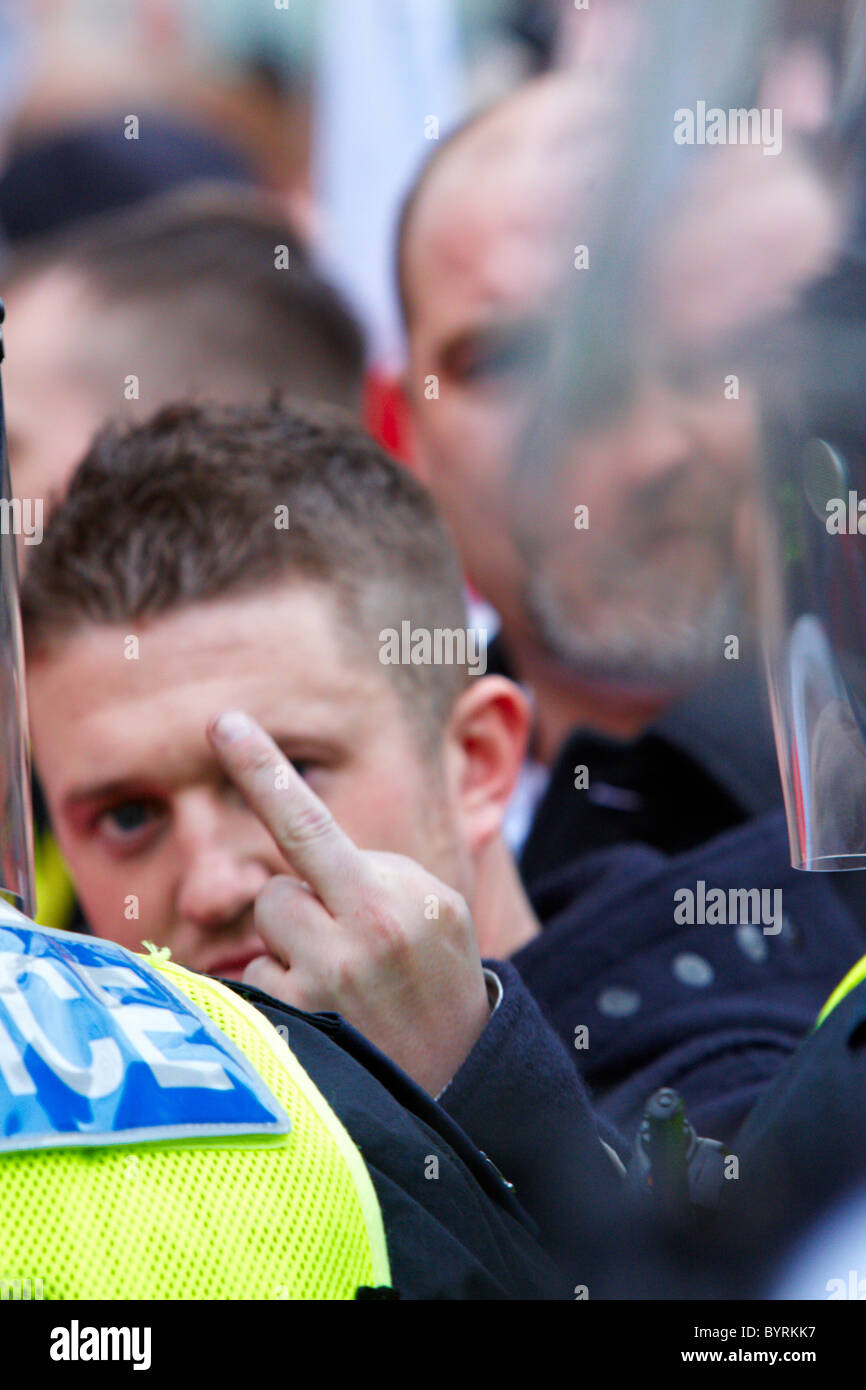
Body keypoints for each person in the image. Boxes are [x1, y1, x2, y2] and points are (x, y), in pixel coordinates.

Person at [20, 400, 863, 1143]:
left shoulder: (768, 1100)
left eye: (286, 777)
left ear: (478, 765)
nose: (207, 886)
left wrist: (474, 1093)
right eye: (128, 817)